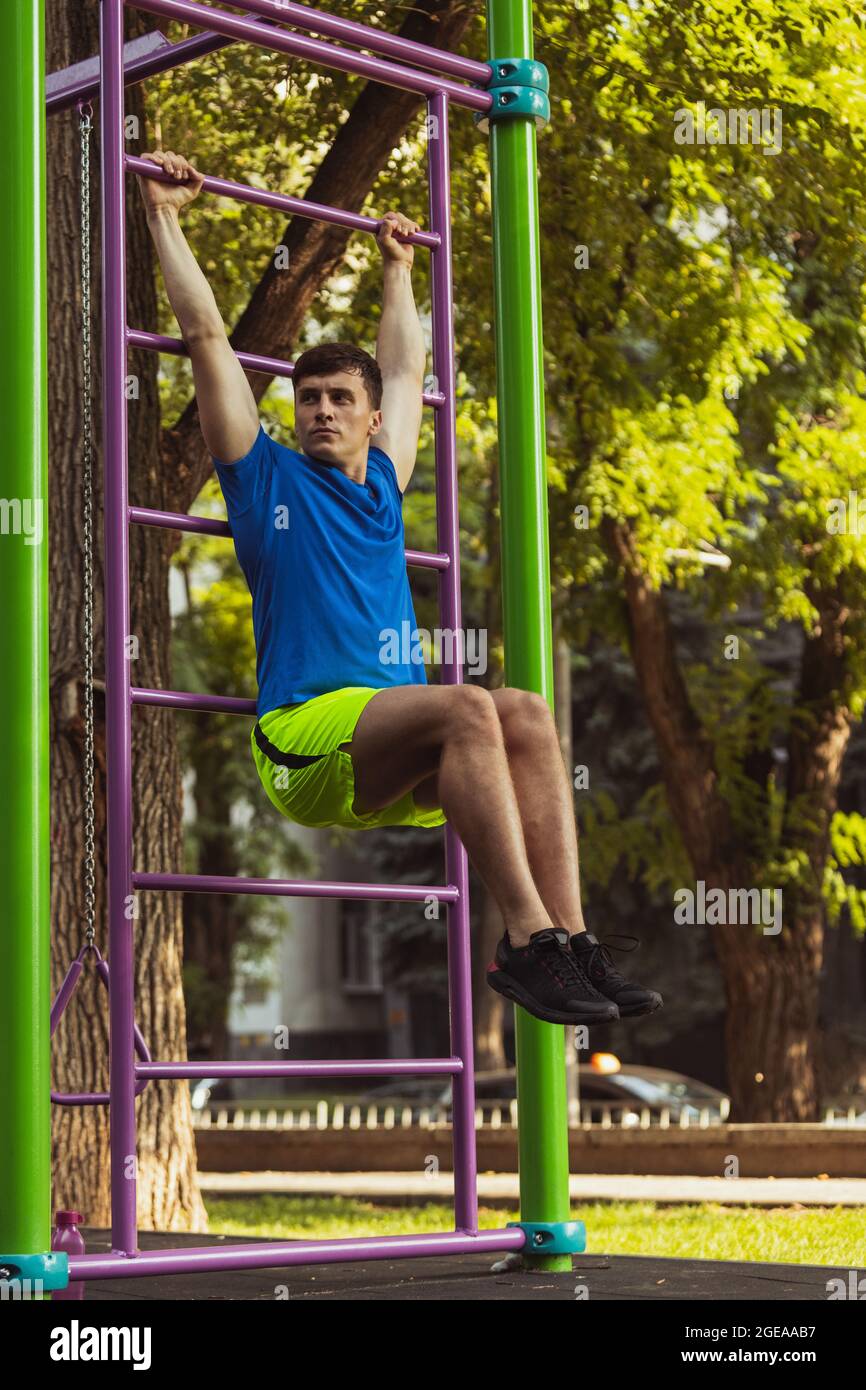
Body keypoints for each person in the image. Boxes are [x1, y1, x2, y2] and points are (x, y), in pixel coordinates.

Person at [138, 149, 663, 1030]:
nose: (321, 412)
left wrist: (396, 266)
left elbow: (408, 368)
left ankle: (570, 943)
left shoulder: (384, 481)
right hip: (305, 741)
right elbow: (205, 340)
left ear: (370, 417)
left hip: (394, 745)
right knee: (466, 704)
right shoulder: (264, 477)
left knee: (526, 712)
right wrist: (163, 214)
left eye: (340, 398)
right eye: (307, 399)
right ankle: (526, 944)